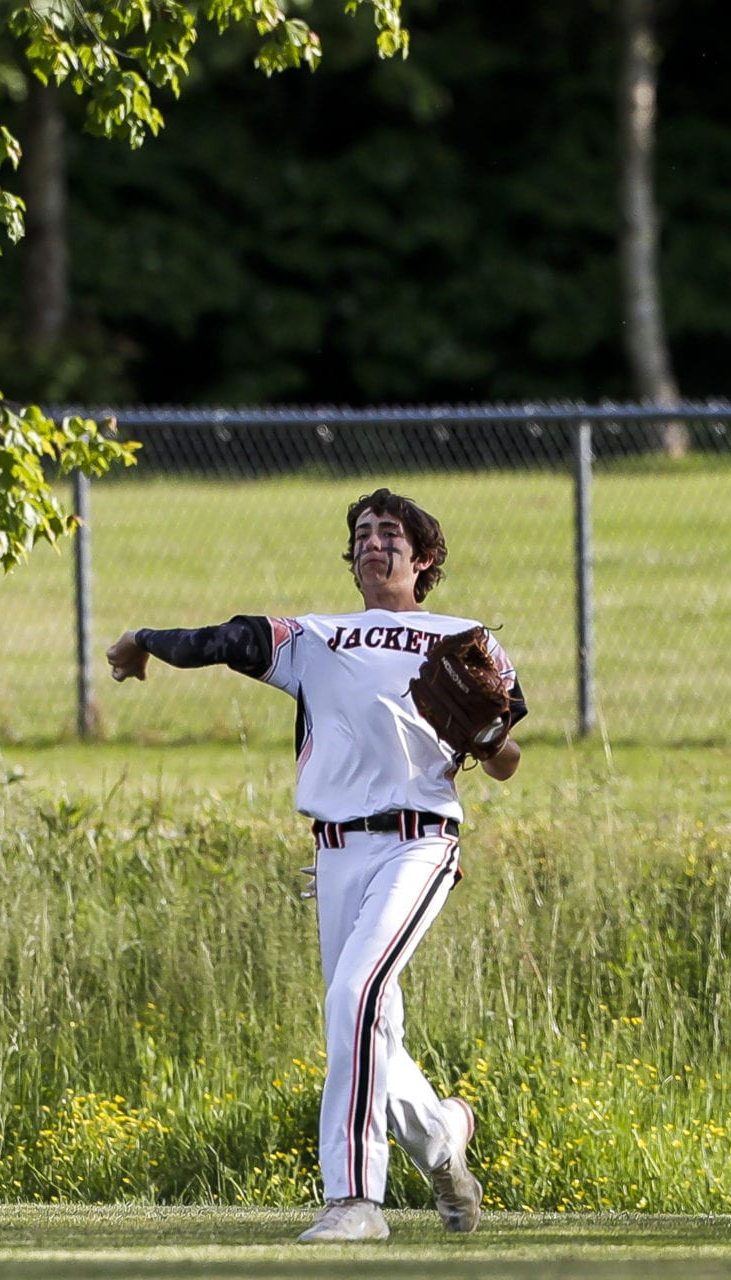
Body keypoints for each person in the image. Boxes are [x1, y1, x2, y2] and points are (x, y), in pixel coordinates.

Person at [105, 487, 525, 1243]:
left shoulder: (462, 637)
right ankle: (441, 1137)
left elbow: (506, 763)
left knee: (355, 992)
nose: (372, 542)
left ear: (423, 556)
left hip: (417, 840)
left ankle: (356, 1201)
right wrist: (141, 636)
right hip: (334, 853)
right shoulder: (317, 636)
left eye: (390, 533)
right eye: (362, 532)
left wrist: (490, 737)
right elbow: (226, 638)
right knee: (361, 1022)